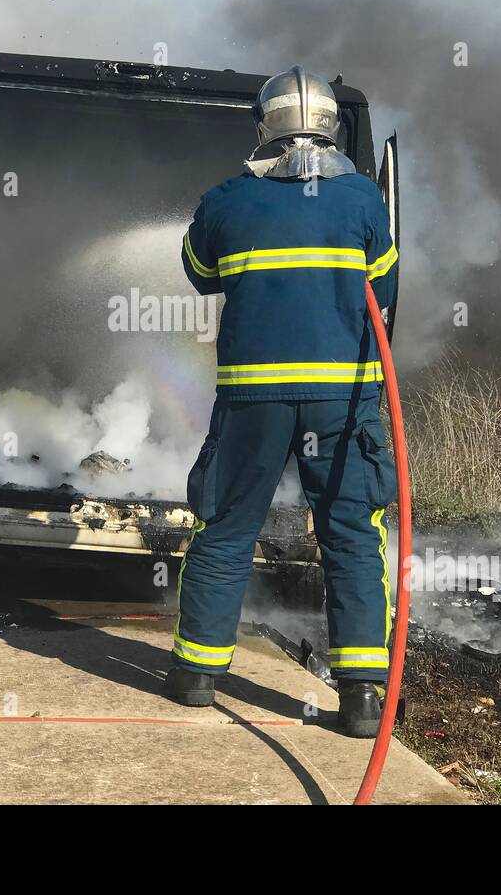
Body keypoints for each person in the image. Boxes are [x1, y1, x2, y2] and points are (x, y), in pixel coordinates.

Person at [168, 65, 398, 737]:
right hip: (343, 400)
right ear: (331, 126)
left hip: (253, 401)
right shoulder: (363, 200)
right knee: (352, 535)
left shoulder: (225, 201)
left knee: (227, 526)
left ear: (262, 124)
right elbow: (384, 294)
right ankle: (359, 701)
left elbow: (199, 271)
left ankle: (196, 675)